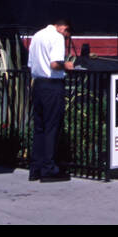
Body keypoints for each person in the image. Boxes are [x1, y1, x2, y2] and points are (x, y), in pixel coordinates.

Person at [28, 19, 75, 182]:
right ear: (65, 29)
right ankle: (49, 169)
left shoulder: (37, 35)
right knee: (52, 127)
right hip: (52, 85)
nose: (66, 40)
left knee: (39, 127)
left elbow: (30, 64)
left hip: (38, 84)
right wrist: (67, 65)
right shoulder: (57, 37)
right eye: (68, 36)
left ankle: (35, 168)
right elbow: (55, 64)